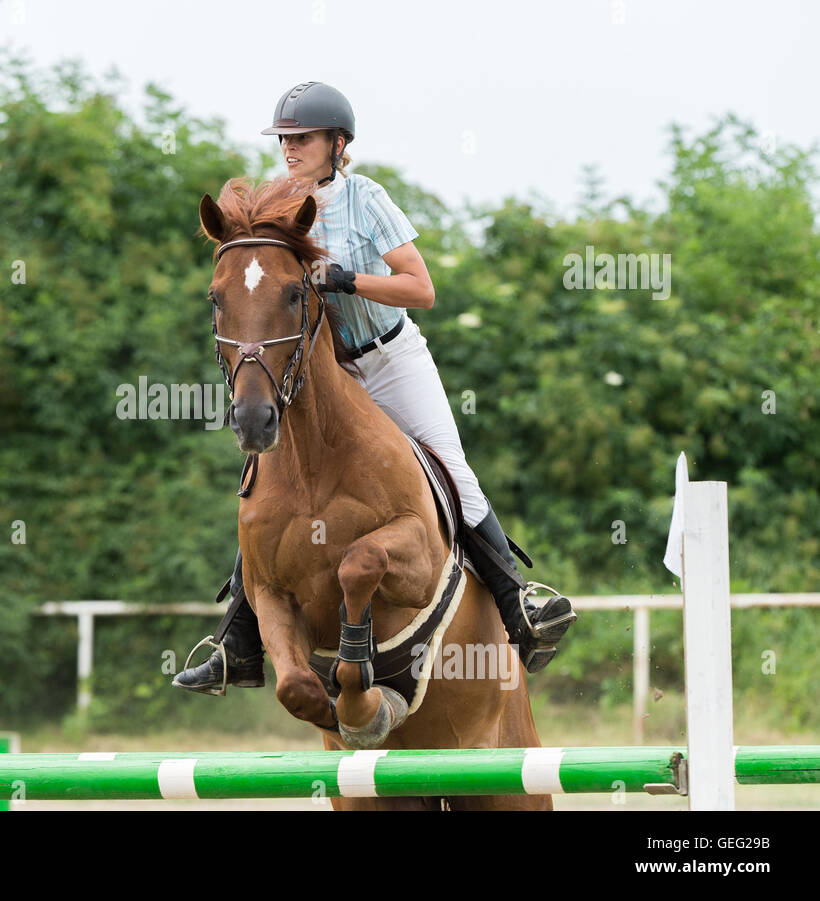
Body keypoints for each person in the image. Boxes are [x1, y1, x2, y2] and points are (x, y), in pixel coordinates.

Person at [174, 81, 575, 695]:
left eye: (302, 138)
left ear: (338, 144)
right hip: (319, 372)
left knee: (451, 464)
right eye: (285, 139)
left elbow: (422, 290)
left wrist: (348, 280)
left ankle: (518, 606)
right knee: (266, 487)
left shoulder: (367, 200)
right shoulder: (279, 207)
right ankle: (239, 641)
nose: (290, 150)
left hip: (389, 359)